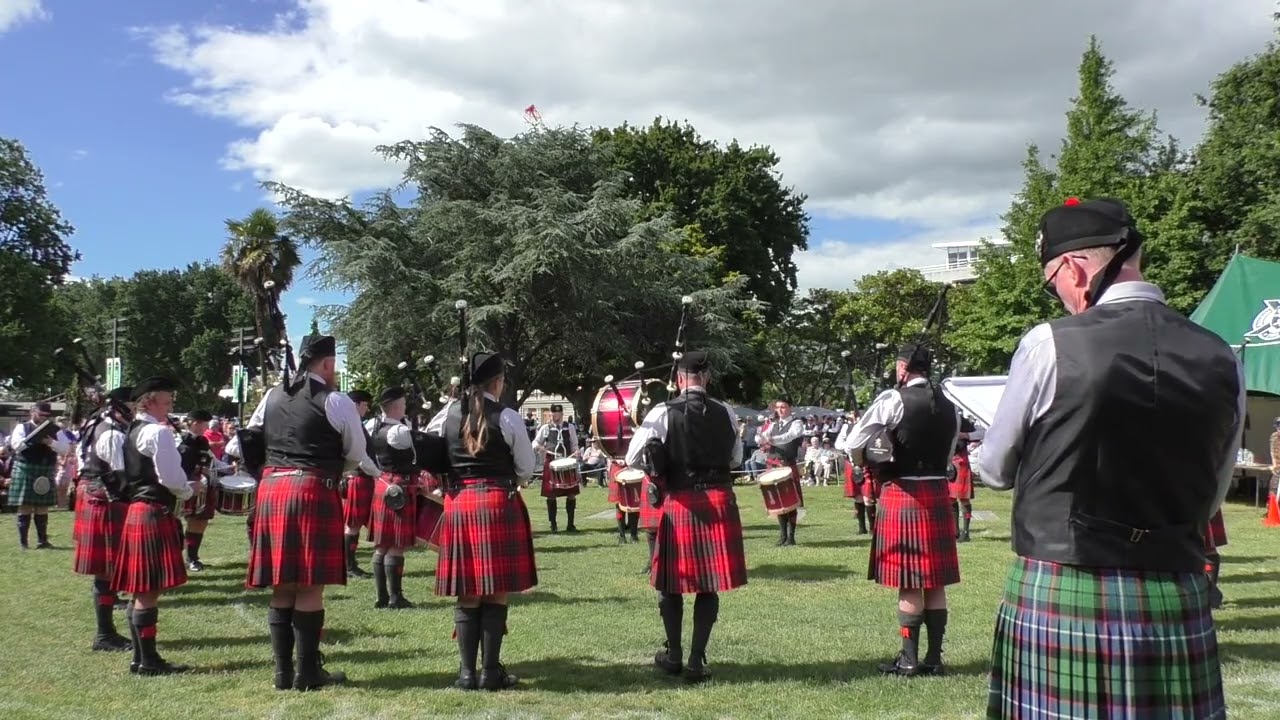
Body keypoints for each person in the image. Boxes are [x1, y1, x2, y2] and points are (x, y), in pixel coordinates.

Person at [978, 197, 1244, 720]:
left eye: (1050, 278)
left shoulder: (1048, 344)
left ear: (1074, 268)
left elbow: (993, 469)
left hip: (1066, 580)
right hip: (1176, 585)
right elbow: (1212, 493)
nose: (1056, 294)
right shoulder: (1222, 355)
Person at [244, 334, 380, 691]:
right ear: (327, 364)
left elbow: (242, 441)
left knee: (281, 585)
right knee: (308, 585)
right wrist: (339, 468)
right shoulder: (335, 400)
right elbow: (355, 451)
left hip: (272, 489)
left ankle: (282, 674)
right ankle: (307, 673)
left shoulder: (270, 397)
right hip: (312, 488)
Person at [838, 343, 960, 676]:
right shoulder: (951, 407)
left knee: (909, 582)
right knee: (935, 582)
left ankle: (908, 659)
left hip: (903, 492)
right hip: (936, 490)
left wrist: (864, 464)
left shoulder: (892, 399)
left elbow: (854, 443)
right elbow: (949, 458)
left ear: (903, 367)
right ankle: (934, 660)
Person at [626, 350, 746, 683]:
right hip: (719, 500)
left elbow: (633, 457)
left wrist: (660, 464)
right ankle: (696, 660)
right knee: (708, 585)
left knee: (670, 582)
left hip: (680, 501)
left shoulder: (664, 411)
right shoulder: (726, 412)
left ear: (679, 378)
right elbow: (735, 458)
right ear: (706, 377)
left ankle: (674, 654)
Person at [426, 351, 537, 691]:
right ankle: (490, 673)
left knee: (468, 592)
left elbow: (430, 449)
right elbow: (526, 469)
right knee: (495, 591)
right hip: (498, 502)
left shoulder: (445, 415)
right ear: (498, 382)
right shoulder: (507, 417)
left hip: (460, 503)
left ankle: (465, 674)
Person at [113, 376, 195, 675]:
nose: (171, 407)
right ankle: (148, 661)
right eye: (166, 401)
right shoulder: (157, 433)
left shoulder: (131, 430)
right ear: (148, 401)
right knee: (148, 592)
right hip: (153, 511)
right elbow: (171, 479)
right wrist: (189, 489)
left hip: (138, 509)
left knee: (139, 592)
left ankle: (139, 658)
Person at [72, 385, 134, 653]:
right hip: (104, 497)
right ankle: (104, 634)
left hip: (95, 492)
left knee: (106, 570)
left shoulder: (96, 423)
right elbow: (122, 474)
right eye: (132, 405)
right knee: (106, 569)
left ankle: (105, 632)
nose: (134, 410)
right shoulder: (111, 433)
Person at [367, 386, 419, 609]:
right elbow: (416, 456)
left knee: (382, 545)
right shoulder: (399, 431)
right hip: (398, 485)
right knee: (396, 544)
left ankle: (382, 596)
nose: (405, 407)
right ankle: (395, 597)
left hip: (383, 482)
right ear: (396, 405)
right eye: (404, 404)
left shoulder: (375, 427)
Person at [8, 401, 71, 548]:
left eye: (47, 415)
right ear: (33, 412)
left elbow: (65, 449)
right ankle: (23, 542)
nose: (44, 417)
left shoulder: (55, 430)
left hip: (45, 468)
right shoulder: (22, 427)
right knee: (25, 505)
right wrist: (32, 440)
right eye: (41, 414)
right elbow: (16, 446)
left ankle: (42, 541)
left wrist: (51, 442)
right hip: (26, 468)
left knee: (42, 506)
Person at [755, 397, 804, 546]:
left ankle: (791, 536)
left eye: (783, 407)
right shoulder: (773, 424)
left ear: (790, 408)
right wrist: (760, 438)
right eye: (778, 407)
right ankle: (782, 535)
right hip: (774, 464)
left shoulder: (797, 423)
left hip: (788, 465)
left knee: (791, 501)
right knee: (777, 501)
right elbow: (761, 437)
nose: (780, 410)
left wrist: (772, 439)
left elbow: (789, 436)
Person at [342, 388, 376, 578]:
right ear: (356, 404)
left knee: (355, 524)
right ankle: (349, 565)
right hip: (359, 477)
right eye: (365, 405)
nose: (367, 409)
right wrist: (377, 473)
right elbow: (359, 455)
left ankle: (350, 564)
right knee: (352, 525)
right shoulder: (353, 424)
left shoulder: (356, 424)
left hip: (361, 477)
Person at [534, 403, 579, 532]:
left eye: (558, 413)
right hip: (551, 463)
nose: (555, 416)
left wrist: (576, 451)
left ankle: (570, 524)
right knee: (551, 495)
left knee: (571, 494)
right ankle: (553, 524)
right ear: (551, 414)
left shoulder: (569, 427)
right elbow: (535, 442)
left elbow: (574, 444)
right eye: (553, 413)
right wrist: (540, 447)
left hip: (567, 462)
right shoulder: (545, 428)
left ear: (561, 414)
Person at [949, 416, 983, 543]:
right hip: (948, 463)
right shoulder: (939, 418)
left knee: (964, 499)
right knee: (950, 499)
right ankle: (955, 531)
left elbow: (982, 433)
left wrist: (965, 435)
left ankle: (966, 532)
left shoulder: (961, 420)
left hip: (961, 463)